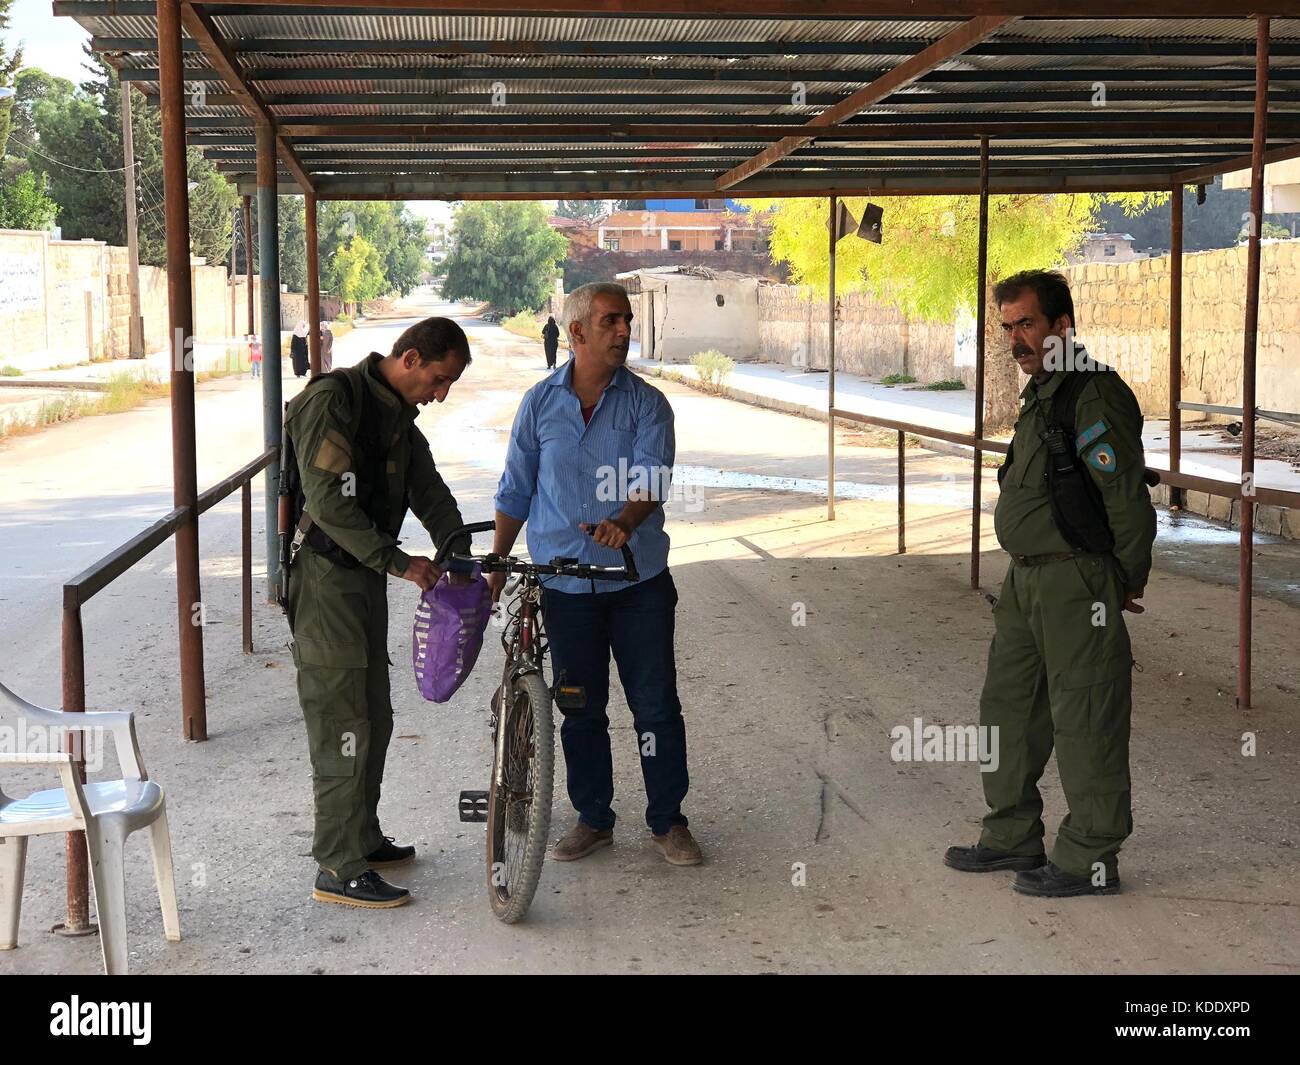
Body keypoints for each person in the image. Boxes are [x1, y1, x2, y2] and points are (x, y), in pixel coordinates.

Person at [945, 270, 1156, 898]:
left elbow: (1126, 500)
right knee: (1007, 712)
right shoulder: (1043, 393)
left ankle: (1091, 856)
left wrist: (1121, 580)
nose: (1016, 338)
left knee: (1085, 716)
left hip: (1074, 583)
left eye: (1027, 323)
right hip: (1026, 583)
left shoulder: (1092, 395)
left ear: (1062, 326)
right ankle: (1011, 834)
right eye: (1007, 326)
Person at [489, 282, 702, 868]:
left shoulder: (647, 404)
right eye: (611, 321)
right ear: (576, 332)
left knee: (655, 704)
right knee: (579, 705)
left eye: (627, 321)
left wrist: (624, 522)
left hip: (636, 583)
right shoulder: (538, 404)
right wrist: (497, 565)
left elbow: (653, 478)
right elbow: (516, 488)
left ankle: (668, 820)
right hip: (564, 585)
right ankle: (593, 818)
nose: (624, 331)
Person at [283, 317, 474, 909]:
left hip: (359, 582)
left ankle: (362, 837)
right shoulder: (334, 400)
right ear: (411, 359)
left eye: (450, 387)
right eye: (439, 380)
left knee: (374, 715)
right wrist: (400, 563)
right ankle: (336, 866)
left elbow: (431, 492)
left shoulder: (397, 419)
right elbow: (328, 503)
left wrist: (461, 554)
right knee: (342, 722)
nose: (440, 395)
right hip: (324, 580)